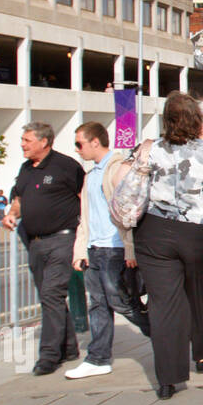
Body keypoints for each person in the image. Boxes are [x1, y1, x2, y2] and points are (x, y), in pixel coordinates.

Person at [128, 91, 203, 399]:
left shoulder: (148, 148)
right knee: (197, 292)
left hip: (155, 230)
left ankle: (168, 379)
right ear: (197, 119)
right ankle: (201, 351)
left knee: (163, 303)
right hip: (200, 231)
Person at [1, 122, 85, 375]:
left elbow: (86, 197)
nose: (22, 145)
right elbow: (19, 198)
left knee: (51, 294)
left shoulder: (66, 166)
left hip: (62, 239)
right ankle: (69, 347)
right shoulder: (26, 168)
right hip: (34, 242)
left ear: (44, 142)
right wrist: (12, 214)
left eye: (27, 140)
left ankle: (49, 356)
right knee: (50, 298)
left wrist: (86, 234)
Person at [69, 122, 149, 379]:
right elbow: (85, 216)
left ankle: (165, 335)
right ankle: (98, 357)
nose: (77, 149)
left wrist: (130, 250)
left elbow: (129, 210)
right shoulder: (89, 175)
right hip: (96, 248)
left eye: (80, 143)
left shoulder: (117, 169)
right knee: (98, 304)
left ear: (95, 142)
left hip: (115, 249)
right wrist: (80, 250)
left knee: (122, 303)